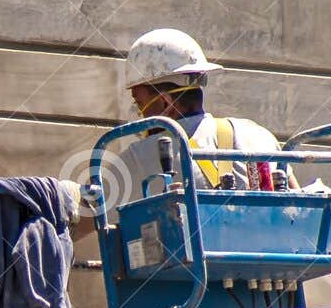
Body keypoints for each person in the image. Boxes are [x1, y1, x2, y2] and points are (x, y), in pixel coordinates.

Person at [114, 28, 287, 206]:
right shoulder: (258, 135)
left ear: (166, 103)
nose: (138, 111)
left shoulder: (140, 156)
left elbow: (85, 221)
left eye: (139, 102)